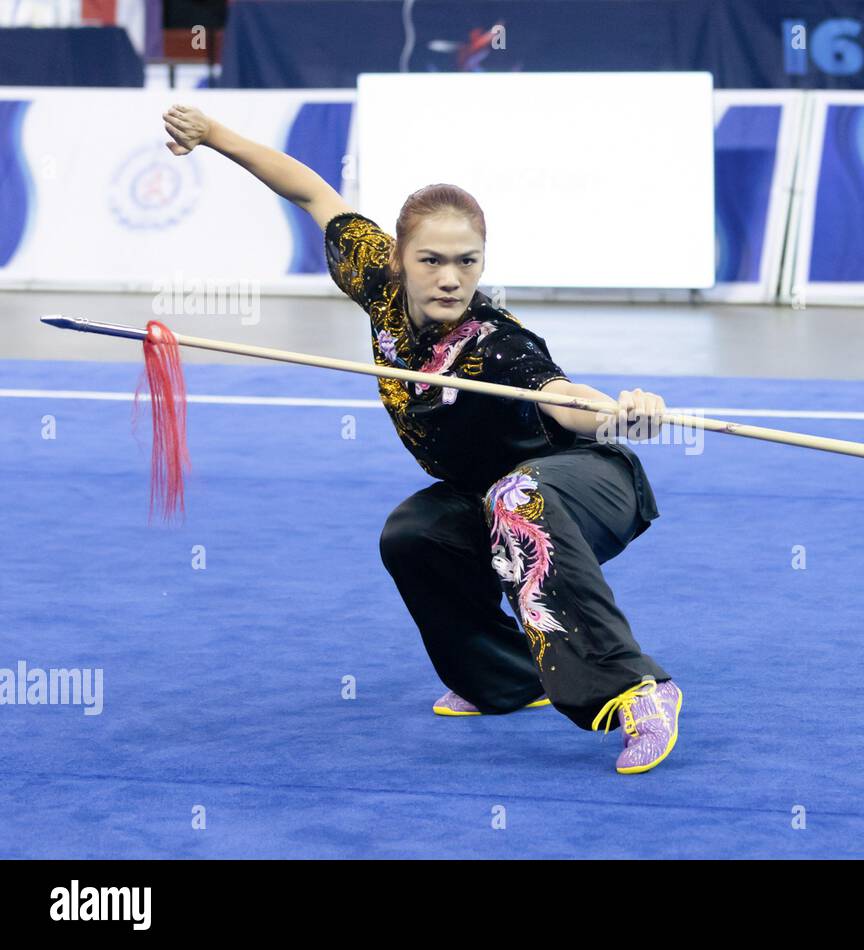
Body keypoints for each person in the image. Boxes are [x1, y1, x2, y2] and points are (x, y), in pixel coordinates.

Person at [161, 104, 682, 774]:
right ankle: (504, 678)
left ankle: (639, 691)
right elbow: (310, 191)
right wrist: (214, 137)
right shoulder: (375, 280)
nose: (450, 278)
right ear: (398, 259)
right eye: (432, 260)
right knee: (413, 532)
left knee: (518, 497)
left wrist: (619, 413)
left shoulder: (498, 344)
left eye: (468, 262)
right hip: (490, 498)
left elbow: (564, 399)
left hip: (588, 485)